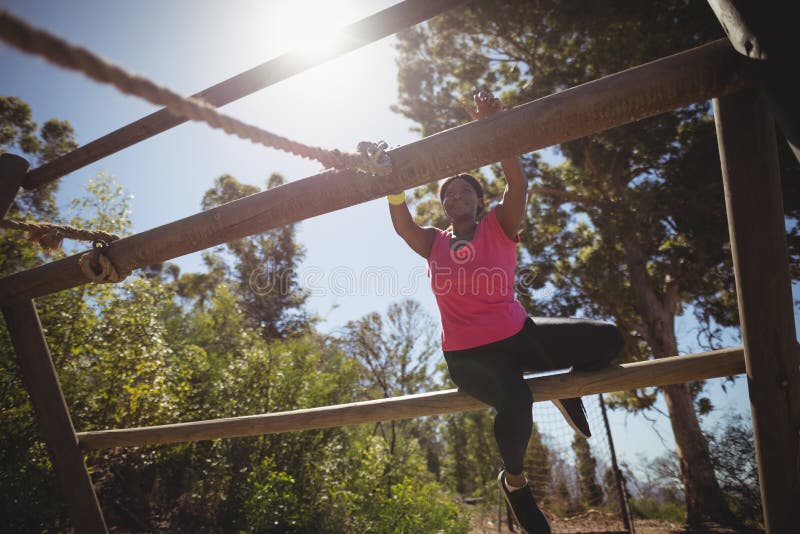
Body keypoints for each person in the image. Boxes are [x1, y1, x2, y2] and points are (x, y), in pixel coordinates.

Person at [386, 91, 624, 533]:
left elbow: (517, 183)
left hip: (519, 334)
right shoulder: (435, 242)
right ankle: (516, 484)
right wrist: (391, 182)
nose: (457, 195)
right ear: (444, 208)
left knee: (609, 338)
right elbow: (402, 225)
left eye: (465, 191)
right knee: (517, 399)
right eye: (449, 194)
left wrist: (496, 129)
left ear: (478, 201)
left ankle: (567, 384)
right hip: (470, 356)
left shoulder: (500, 224)